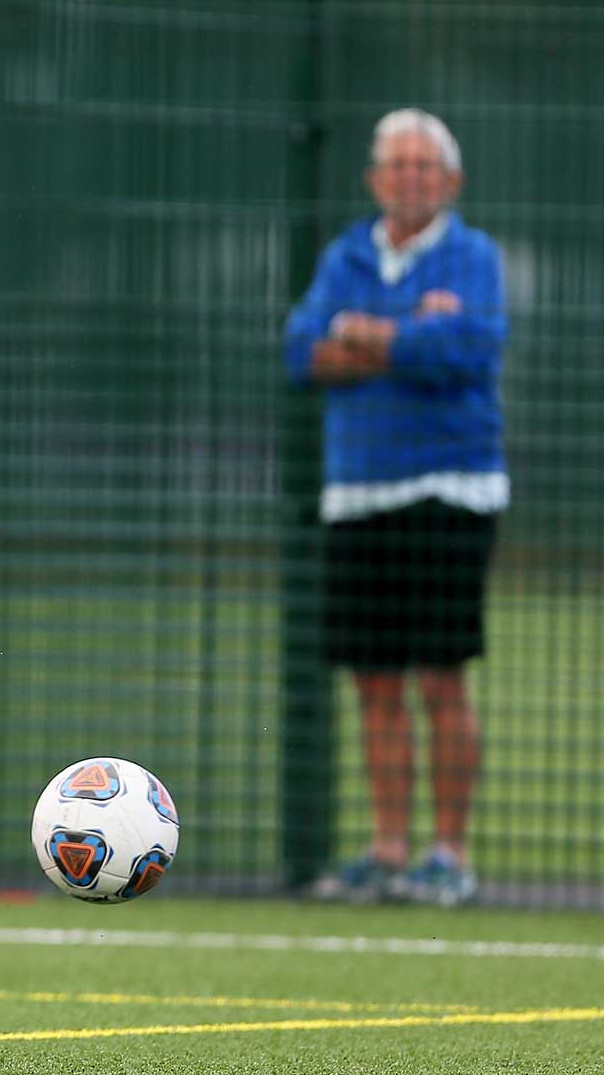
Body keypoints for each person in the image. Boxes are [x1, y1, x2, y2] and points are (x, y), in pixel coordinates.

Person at [284, 108, 506, 908]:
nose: (409, 178)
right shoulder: (346, 255)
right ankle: (386, 849)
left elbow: (465, 353)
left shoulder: (473, 257)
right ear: (376, 177)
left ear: (450, 181)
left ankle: (448, 852)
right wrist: (408, 333)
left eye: (425, 166)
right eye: (396, 165)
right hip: (358, 493)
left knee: (440, 678)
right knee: (373, 681)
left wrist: (367, 338)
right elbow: (302, 351)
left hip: (450, 492)